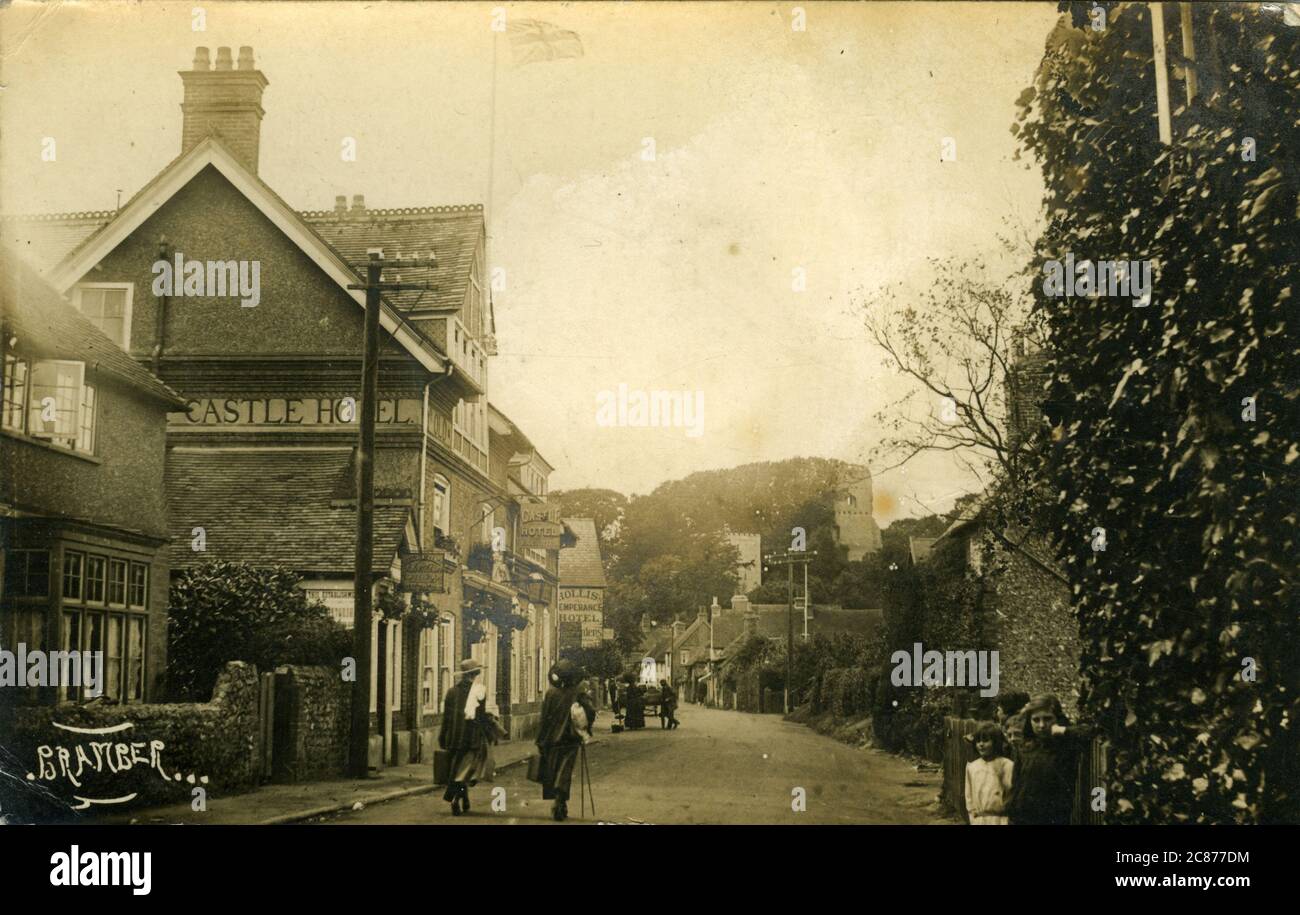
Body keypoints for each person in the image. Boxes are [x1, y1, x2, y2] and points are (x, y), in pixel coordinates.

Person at [1005, 694, 1092, 825]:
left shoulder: (1066, 746)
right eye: (1036, 720)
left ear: (1057, 718)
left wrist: (1064, 730)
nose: (1041, 725)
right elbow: (1016, 783)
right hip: (1022, 817)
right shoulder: (1025, 747)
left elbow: (1093, 732)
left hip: (1052, 817)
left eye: (1047, 719)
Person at [537, 659, 586, 821]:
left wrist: (540, 738)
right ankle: (560, 799)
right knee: (565, 770)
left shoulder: (550, 693)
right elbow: (588, 713)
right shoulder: (577, 693)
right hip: (570, 738)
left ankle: (558, 799)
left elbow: (544, 718)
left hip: (551, 738)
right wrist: (585, 730)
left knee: (553, 768)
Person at [438, 658, 488, 816]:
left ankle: (464, 799)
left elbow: (446, 717)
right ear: (474, 675)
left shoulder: (451, 692)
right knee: (465, 771)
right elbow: (480, 717)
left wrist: (442, 736)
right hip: (471, 737)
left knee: (458, 768)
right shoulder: (479, 691)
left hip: (454, 737)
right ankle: (456, 799)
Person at [964, 721, 1014, 825]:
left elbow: (1012, 795)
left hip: (1001, 820)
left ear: (995, 742)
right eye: (978, 741)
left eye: (986, 740)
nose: (981, 745)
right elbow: (969, 796)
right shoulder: (972, 767)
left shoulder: (1007, 765)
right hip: (979, 820)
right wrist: (972, 818)